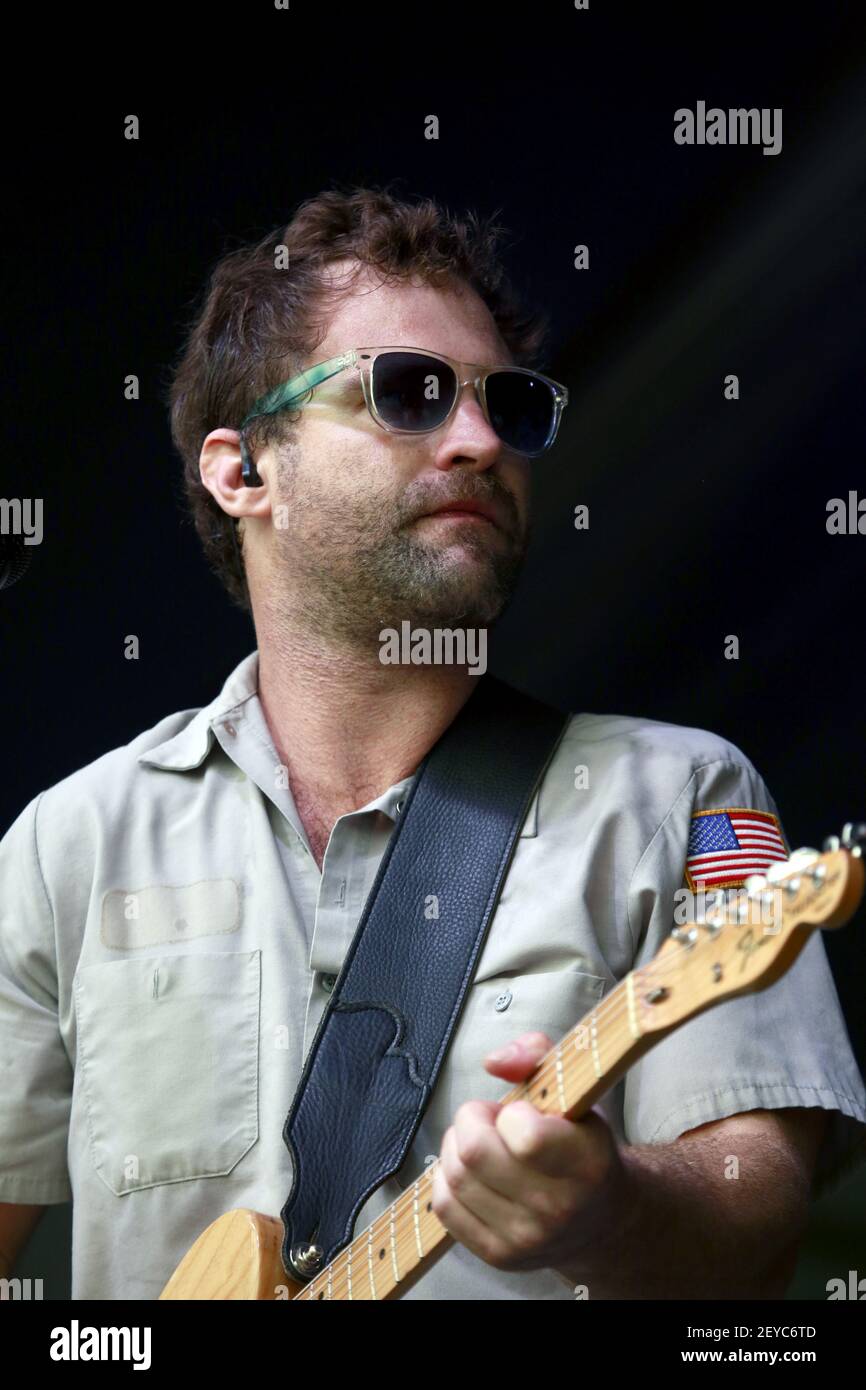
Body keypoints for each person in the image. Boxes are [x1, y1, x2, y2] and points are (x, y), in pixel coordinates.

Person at [1, 187, 864, 1301]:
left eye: (506, 405)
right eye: (405, 394)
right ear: (241, 470)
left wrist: (604, 1212)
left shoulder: (679, 795)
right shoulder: (66, 846)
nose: (475, 438)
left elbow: (754, 1235)